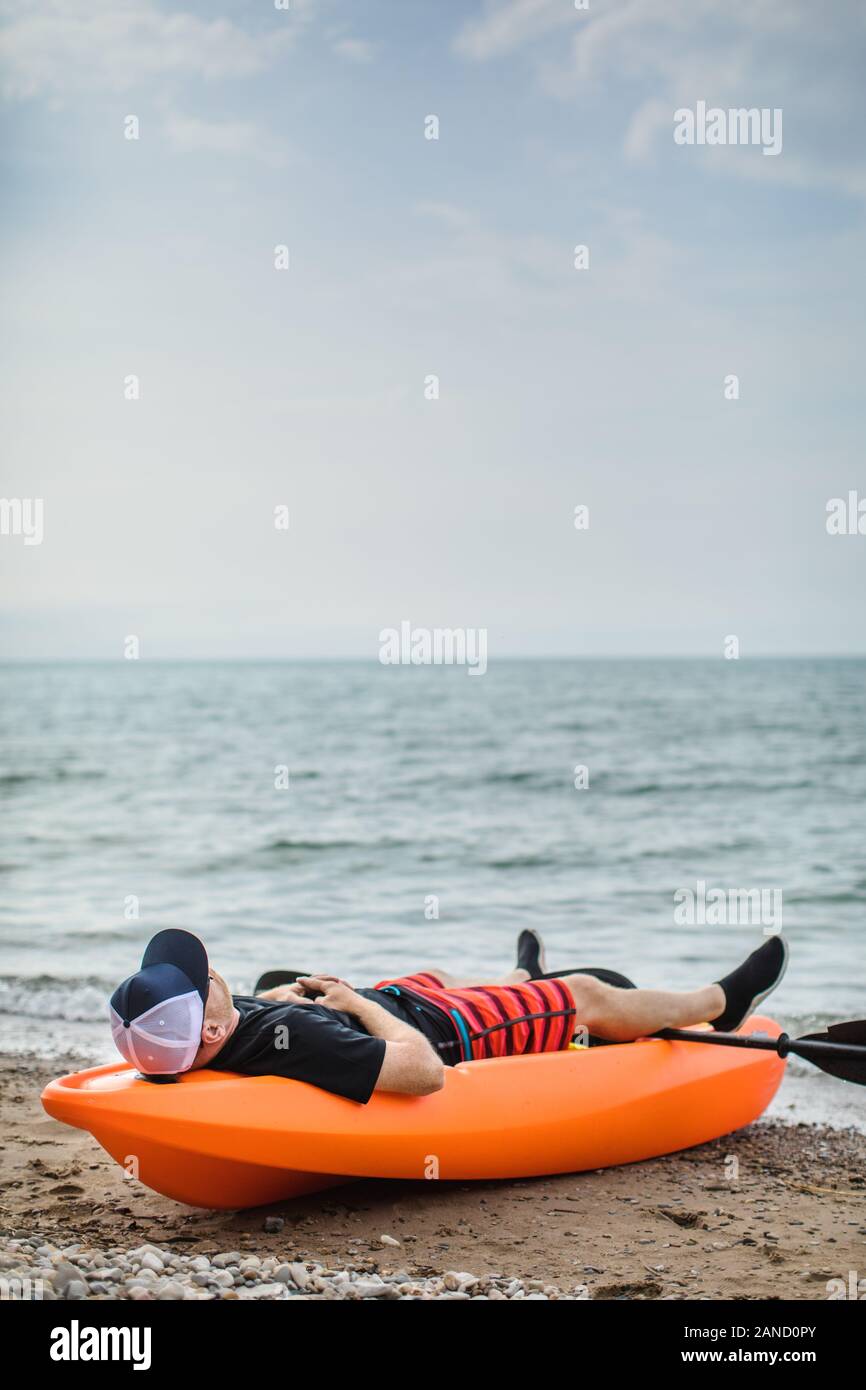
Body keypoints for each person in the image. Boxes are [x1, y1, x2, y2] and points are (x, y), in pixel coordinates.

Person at [108, 928, 788, 1105]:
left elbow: (245, 1016)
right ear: (214, 1032)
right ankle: (722, 1004)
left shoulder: (193, 1040)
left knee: (437, 973)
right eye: (205, 985)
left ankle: (521, 973)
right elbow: (422, 1074)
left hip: (401, 997)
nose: (213, 972)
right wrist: (353, 1008)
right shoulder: (309, 1041)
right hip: (450, 1033)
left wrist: (287, 997)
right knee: (584, 993)